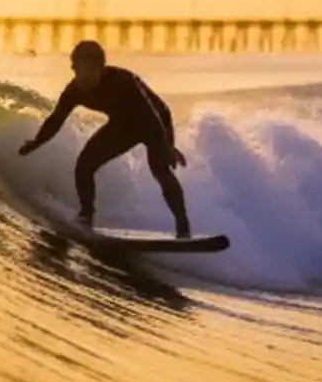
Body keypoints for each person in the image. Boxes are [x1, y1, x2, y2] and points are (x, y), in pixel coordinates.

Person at [19, 40, 192, 238]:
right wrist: (36, 142)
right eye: (76, 70)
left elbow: (152, 114)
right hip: (123, 125)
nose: (80, 77)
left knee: (160, 169)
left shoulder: (123, 81)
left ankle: (183, 227)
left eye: (86, 71)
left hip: (153, 122)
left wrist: (167, 145)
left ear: (100, 68)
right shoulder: (74, 91)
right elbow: (56, 120)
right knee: (84, 165)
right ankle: (86, 216)